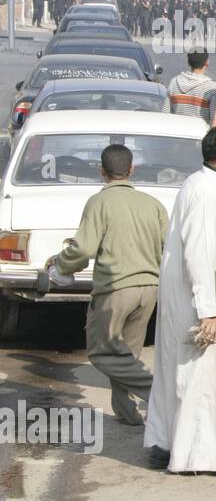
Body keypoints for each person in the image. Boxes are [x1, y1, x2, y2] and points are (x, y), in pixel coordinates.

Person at [143, 126, 216, 473]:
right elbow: (199, 254)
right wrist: (207, 311)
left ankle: (166, 444)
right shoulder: (206, 191)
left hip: (189, 294)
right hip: (197, 297)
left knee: (178, 373)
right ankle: (192, 456)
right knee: (197, 377)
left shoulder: (204, 184)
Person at [46, 145, 168, 426]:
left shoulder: (99, 203)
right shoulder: (153, 204)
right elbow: (168, 246)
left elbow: (84, 248)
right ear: (132, 169)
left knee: (102, 353)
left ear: (101, 171)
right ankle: (127, 413)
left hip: (115, 289)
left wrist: (61, 264)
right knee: (127, 355)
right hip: (149, 289)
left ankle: (159, 395)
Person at [168, 51, 216, 123]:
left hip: (177, 129)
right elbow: (215, 119)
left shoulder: (174, 82)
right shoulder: (212, 87)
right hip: (200, 130)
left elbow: (165, 113)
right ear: (207, 63)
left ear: (188, 62)